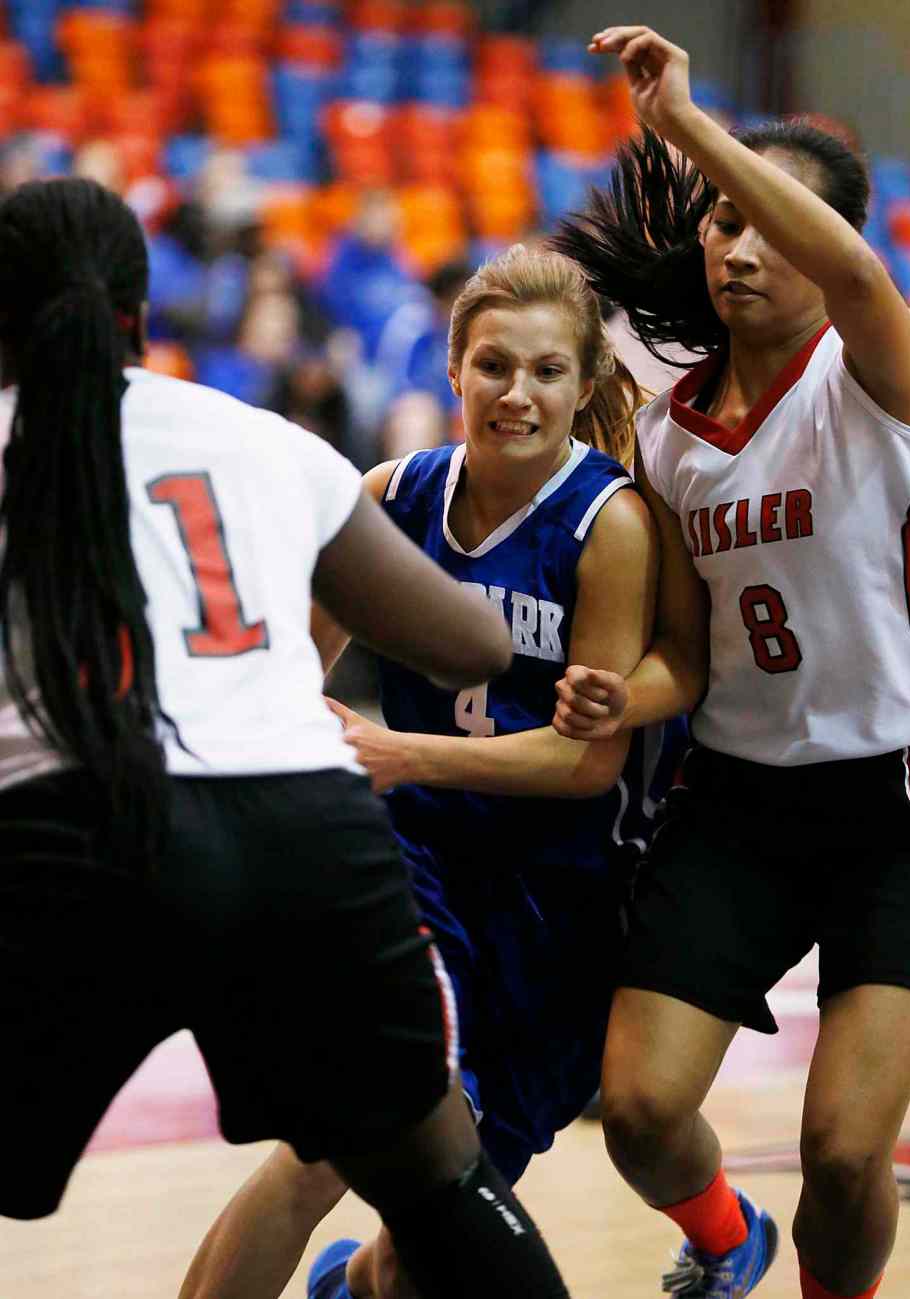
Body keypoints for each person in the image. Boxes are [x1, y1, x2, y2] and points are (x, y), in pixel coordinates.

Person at [0, 176, 585, 1299]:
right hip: (303, 836)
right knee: (438, 1182)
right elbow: (468, 642)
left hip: (75, 828)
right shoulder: (259, 438)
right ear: (140, 315)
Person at [550, 25, 910, 1299]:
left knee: (845, 1154)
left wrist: (686, 128)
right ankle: (725, 1237)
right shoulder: (666, 435)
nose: (738, 248)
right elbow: (685, 659)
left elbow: (855, 271)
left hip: (900, 801)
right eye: (721, 222)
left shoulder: (873, 373)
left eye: (766, 222)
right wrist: (619, 692)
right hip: (737, 801)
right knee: (638, 1112)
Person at [177, 245, 687, 1299]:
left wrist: (400, 753)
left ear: (584, 383)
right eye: (493, 365)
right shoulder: (391, 493)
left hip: (559, 913)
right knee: (324, 1150)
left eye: (546, 371)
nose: (516, 393)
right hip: (414, 868)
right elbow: (288, 672)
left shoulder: (611, 525)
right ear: (454, 368)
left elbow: (584, 763)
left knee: (423, 1250)